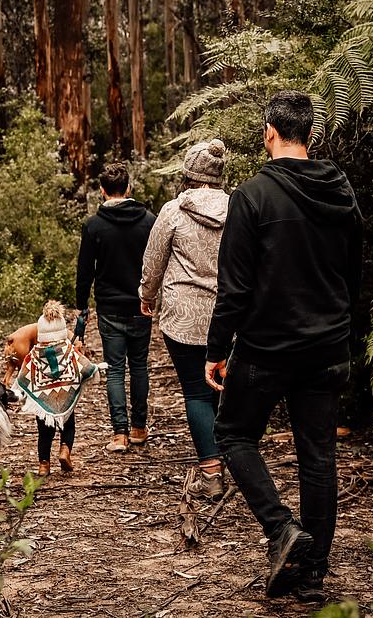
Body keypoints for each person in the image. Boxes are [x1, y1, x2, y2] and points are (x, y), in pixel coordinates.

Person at [205, 90, 362, 603]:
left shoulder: (252, 195)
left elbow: (234, 288)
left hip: (266, 348)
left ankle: (280, 529)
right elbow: (353, 271)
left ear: (269, 133)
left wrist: (216, 349)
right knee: (318, 456)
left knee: (232, 433)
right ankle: (313, 577)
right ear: (310, 135)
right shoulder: (340, 191)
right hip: (327, 346)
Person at [139, 139, 230, 500]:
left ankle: (211, 472)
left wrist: (147, 296)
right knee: (223, 387)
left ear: (188, 174)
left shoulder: (173, 211)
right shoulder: (239, 207)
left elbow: (154, 259)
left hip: (183, 317)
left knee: (196, 391)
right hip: (229, 315)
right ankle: (236, 458)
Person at [76, 161, 157, 452]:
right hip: (140, 305)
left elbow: (85, 271)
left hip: (109, 308)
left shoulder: (94, 226)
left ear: (102, 191)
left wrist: (81, 307)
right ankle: (139, 428)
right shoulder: (149, 221)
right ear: (129, 188)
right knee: (139, 366)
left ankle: (119, 434)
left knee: (115, 370)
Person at [12, 300, 100, 477]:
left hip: (43, 402)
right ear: (62, 330)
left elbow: (23, 377)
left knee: (44, 434)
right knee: (69, 427)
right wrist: (96, 369)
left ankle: (44, 465)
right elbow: (86, 368)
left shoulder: (34, 354)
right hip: (65, 396)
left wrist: (21, 393)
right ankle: (65, 450)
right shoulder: (70, 352)